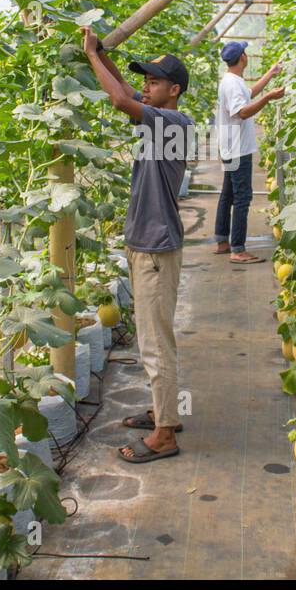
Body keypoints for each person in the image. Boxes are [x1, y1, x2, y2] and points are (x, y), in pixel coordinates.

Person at [82, 27, 192, 464]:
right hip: (148, 242)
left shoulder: (174, 122)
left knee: (154, 343)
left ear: (175, 90)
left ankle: (166, 434)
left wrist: (92, 57)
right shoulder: (162, 115)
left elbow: (120, 100)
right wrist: (104, 55)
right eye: (146, 79)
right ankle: (166, 412)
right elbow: (128, 91)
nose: (146, 85)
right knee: (156, 336)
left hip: (155, 247)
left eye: (155, 81)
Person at [213, 41, 284, 265]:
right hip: (237, 149)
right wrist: (268, 98)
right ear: (243, 57)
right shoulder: (232, 84)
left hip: (230, 146)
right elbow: (242, 112)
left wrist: (270, 74)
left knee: (228, 194)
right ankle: (238, 249)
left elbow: (250, 93)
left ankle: (222, 241)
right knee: (242, 197)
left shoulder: (233, 81)